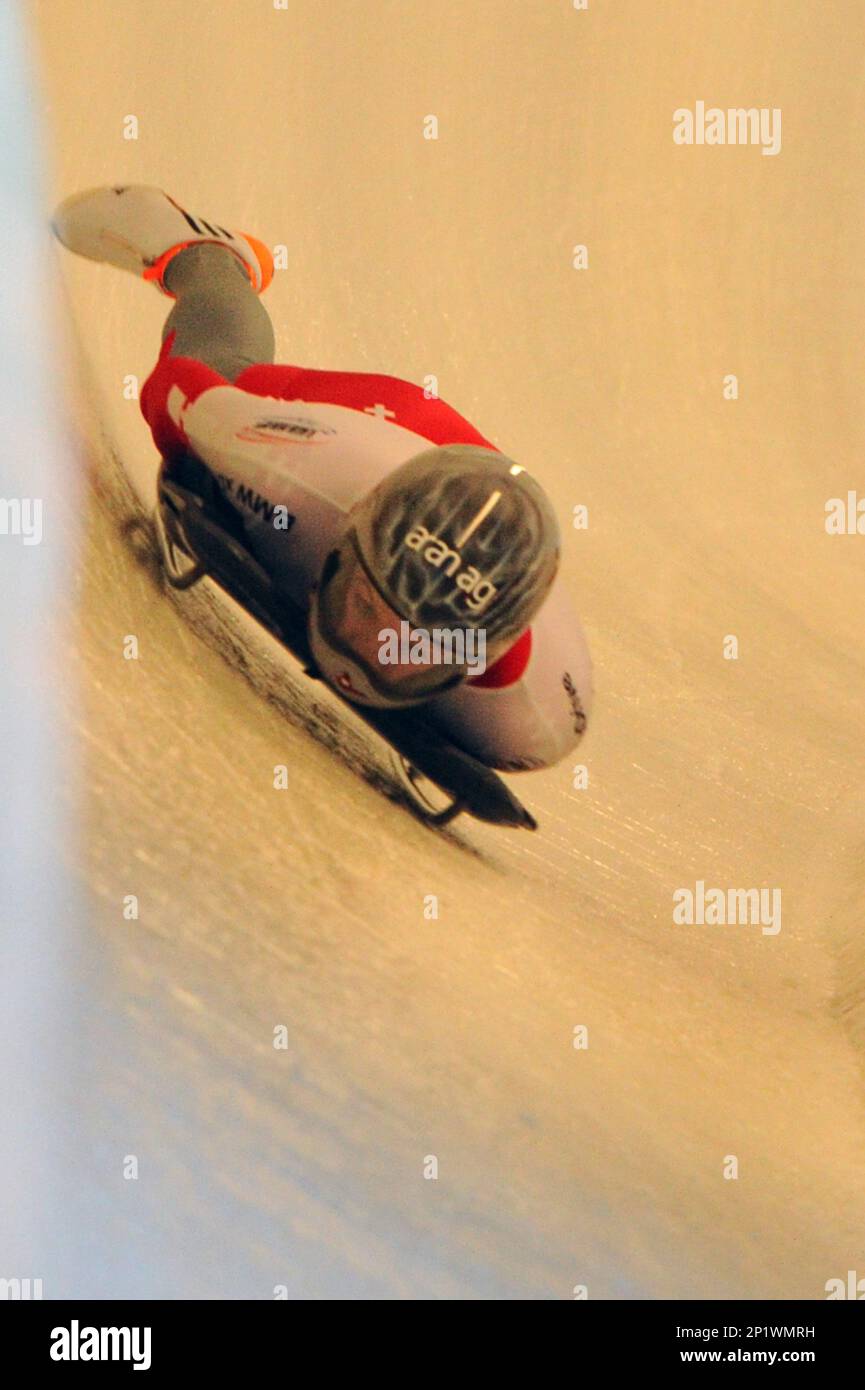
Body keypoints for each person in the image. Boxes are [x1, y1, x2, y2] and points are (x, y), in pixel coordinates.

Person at [53, 185, 591, 771]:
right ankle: (208, 255)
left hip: (420, 483)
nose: (364, 655)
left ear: (473, 659)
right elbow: (177, 387)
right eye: (363, 605)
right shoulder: (294, 469)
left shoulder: (534, 724)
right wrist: (190, 430)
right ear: (350, 536)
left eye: (410, 650)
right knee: (223, 370)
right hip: (386, 431)